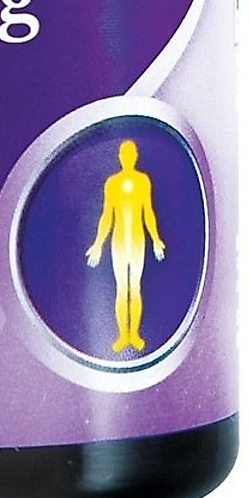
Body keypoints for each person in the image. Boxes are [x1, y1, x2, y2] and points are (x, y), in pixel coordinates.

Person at [86, 139, 166, 352]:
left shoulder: (143, 181)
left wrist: (156, 239)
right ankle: (123, 336)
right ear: (120, 157)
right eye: (124, 154)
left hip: (138, 242)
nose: (127, 158)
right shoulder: (112, 183)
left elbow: (148, 212)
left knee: (135, 288)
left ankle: (134, 334)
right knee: (122, 289)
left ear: (135, 157)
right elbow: (107, 215)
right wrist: (98, 244)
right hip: (119, 243)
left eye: (131, 154)